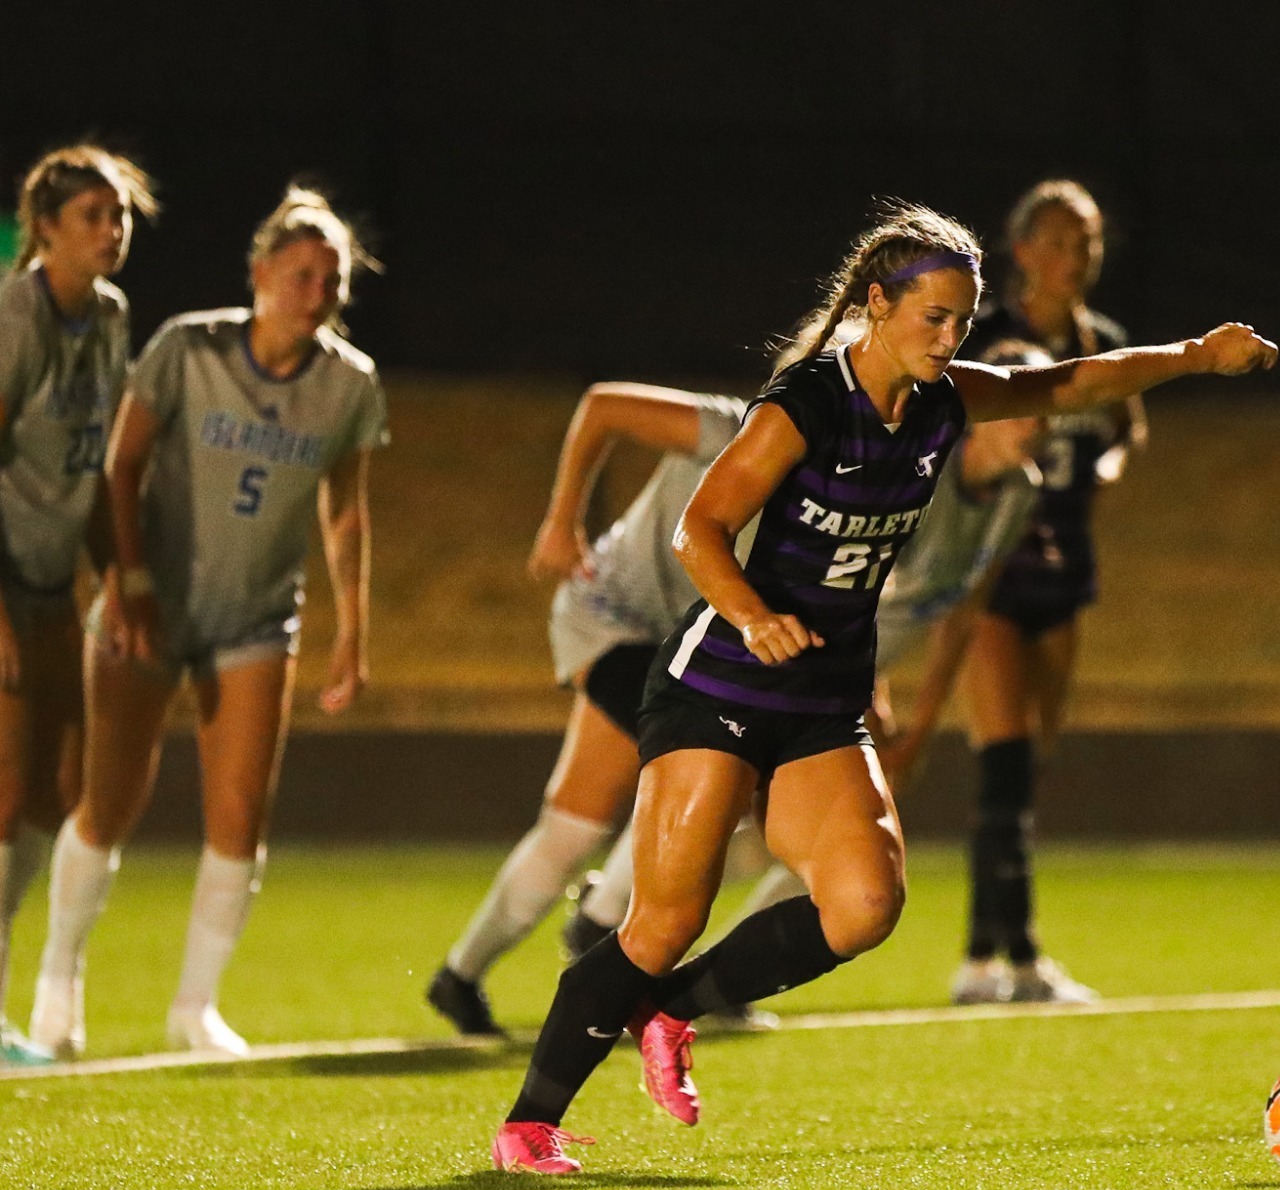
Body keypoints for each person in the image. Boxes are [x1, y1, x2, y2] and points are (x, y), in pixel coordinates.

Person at [491, 202, 1277, 1173]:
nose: (948, 339)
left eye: (961, 321)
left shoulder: (942, 402)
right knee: (664, 920)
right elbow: (700, 528)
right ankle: (529, 1124)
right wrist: (753, 615)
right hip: (721, 682)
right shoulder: (806, 404)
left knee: (865, 902)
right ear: (876, 304)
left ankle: (670, 1011)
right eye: (932, 318)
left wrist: (1196, 355)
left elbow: (1069, 382)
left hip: (821, 696)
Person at [558, 342, 1054, 988]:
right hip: (740, 656)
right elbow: (702, 526)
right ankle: (603, 932)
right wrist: (561, 524)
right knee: (707, 810)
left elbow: (950, 613)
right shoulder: (801, 440)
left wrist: (912, 721)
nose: (1036, 428)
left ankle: (699, 976)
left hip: (834, 682)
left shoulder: (1006, 491)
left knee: (843, 860)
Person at [28, 185, 385, 1058]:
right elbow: (121, 464)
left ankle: (196, 1007)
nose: (317, 293)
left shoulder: (349, 382)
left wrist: (352, 628)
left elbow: (344, 511)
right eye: (301, 275)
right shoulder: (189, 346)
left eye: (332, 280)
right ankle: (57, 987)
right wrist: (131, 582)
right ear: (259, 272)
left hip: (256, 619)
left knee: (239, 817)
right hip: (152, 606)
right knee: (108, 802)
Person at [423, 382, 752, 1037]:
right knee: (713, 757)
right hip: (609, 618)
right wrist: (561, 521)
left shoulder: (837, 481)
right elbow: (603, 405)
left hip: (673, 644)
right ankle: (599, 921)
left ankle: (458, 976)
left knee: (571, 829)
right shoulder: (731, 430)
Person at [952, 180, 1144, 1005]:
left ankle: (1002, 954)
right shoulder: (990, 337)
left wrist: (1105, 468)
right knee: (1001, 762)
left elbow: (1128, 429)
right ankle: (999, 958)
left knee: (1027, 768)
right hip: (995, 570)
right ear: (1024, 250)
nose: (1076, 258)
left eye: (1087, 242)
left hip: (1065, 572)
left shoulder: (1104, 342)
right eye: (1060, 242)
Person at [0, 146, 156, 1064]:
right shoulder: (15, 315)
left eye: (119, 214)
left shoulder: (110, 316)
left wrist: (121, 576)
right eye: (92, 215)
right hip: (4, 582)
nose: (111, 230)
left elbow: (98, 465)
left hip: (50, 581)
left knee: (56, 795)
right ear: (44, 227)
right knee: (4, 789)